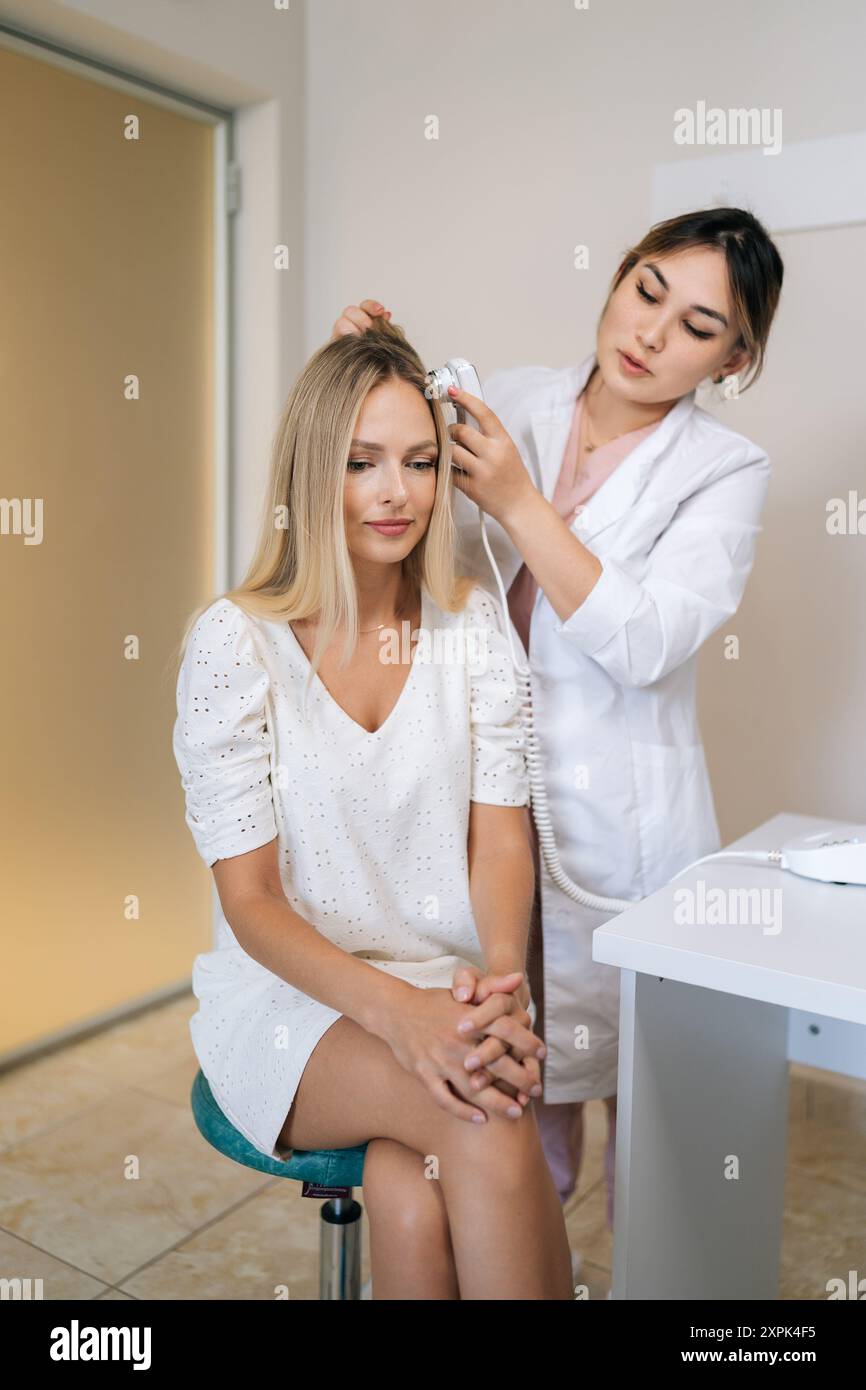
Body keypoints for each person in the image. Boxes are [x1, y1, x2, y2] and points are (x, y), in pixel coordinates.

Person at [331, 205, 784, 1226]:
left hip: (619, 829)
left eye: (698, 326)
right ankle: (521, 1266)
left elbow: (649, 638)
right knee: (508, 1061)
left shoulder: (724, 473)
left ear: (733, 356)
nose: (649, 333)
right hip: (482, 802)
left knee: (644, 1092)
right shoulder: (517, 402)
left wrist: (520, 502)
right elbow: (386, 493)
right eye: (646, 290)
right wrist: (364, 362)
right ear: (621, 276)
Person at [172, 319, 574, 1299]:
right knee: (485, 1107)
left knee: (408, 1196)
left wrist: (497, 983)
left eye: (419, 461)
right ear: (314, 470)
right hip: (292, 1003)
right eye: (361, 462)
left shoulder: (468, 623)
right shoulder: (236, 644)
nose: (395, 492)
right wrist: (400, 1017)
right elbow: (253, 902)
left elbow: (498, 835)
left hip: (444, 982)